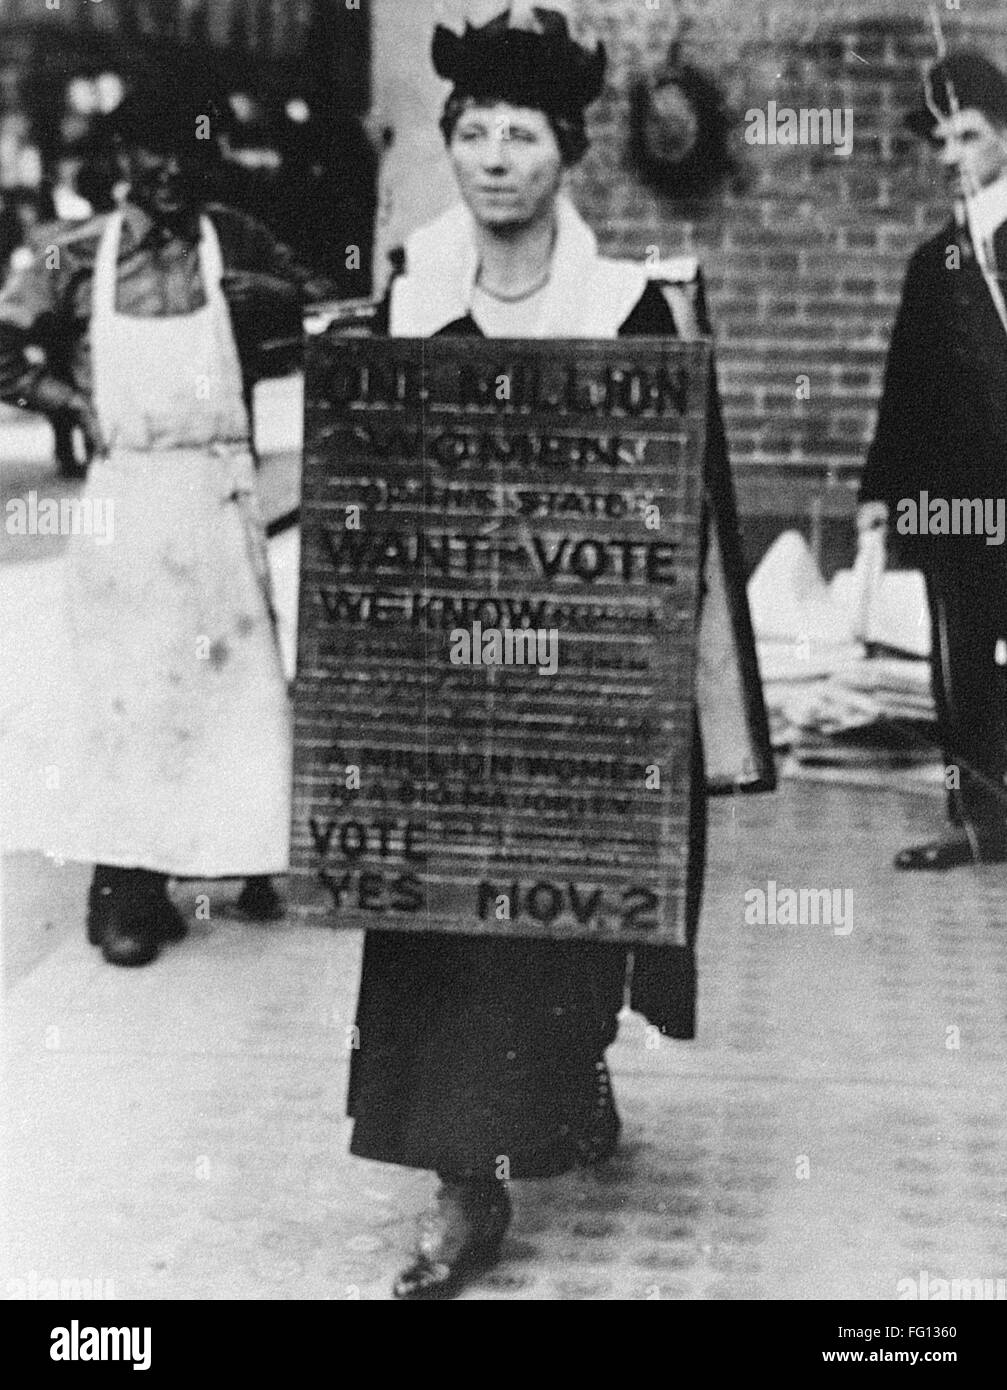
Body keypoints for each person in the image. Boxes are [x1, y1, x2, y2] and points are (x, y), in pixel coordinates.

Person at [339, 4, 773, 1300]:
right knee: (442, 939)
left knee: (549, 949)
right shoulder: (411, 298)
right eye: (471, 131)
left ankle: (561, 1094)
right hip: (446, 698)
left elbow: (661, 516)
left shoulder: (626, 308)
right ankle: (460, 1187)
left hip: (573, 703)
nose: (491, 156)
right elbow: (373, 497)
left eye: (519, 132)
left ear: (564, 152)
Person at [0, 74, 330, 965]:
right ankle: (123, 893)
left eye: (193, 147)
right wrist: (70, 396)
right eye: (153, 152)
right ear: (119, 161)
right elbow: (4, 343)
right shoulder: (73, 255)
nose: (173, 170)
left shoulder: (238, 240)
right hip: (126, 502)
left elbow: (313, 317)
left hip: (219, 494)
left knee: (237, 689)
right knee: (129, 694)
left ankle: (243, 858)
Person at [859, 51, 1007, 871]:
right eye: (942, 139)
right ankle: (980, 820)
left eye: (970, 135)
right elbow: (903, 387)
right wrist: (878, 490)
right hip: (957, 496)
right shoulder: (932, 261)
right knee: (961, 658)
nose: (952, 154)